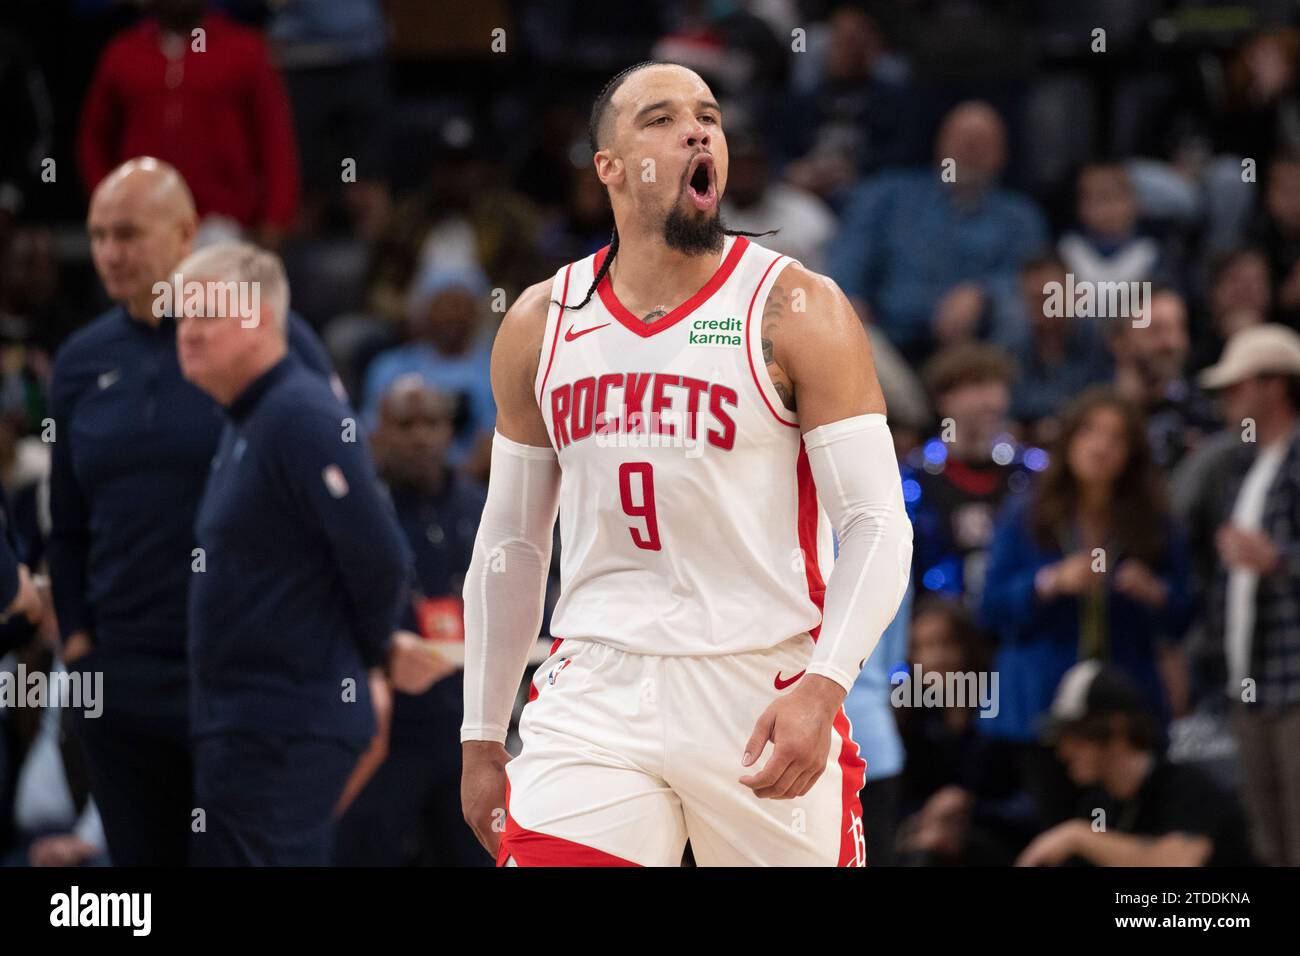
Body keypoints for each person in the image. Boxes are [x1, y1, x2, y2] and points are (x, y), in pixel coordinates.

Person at [460, 61, 911, 867]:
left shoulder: (797, 308)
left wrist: (825, 685)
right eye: (661, 120)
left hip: (761, 683)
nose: (697, 130)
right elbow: (512, 545)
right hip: (596, 690)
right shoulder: (541, 321)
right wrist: (482, 734)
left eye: (708, 116)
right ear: (607, 167)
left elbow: (876, 523)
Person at [47, 157, 336, 866]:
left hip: (245, 676)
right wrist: (82, 645)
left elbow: (333, 489)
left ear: (185, 235)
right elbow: (66, 523)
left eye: (128, 234)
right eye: (98, 236)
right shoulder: (82, 362)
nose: (110, 253)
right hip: (123, 678)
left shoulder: (264, 334)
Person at [174, 241, 437, 865]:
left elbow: (380, 555)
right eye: (183, 315)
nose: (189, 332)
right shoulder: (250, 417)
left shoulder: (300, 414)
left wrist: (369, 659)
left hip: (286, 723)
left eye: (207, 313)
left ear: (263, 318)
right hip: (251, 721)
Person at [980, 387, 1191, 825]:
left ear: (1131, 454)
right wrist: (1049, 582)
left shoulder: (1152, 518)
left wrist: (1156, 592)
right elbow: (990, 609)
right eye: (1091, 433)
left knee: (1129, 830)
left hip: (1125, 705)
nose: (1101, 447)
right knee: (1058, 830)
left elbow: (1185, 612)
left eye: (1116, 438)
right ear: (1071, 440)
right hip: (1044, 705)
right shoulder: (1027, 512)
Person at [335, 378, 489, 866]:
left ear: (450, 432)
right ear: (376, 432)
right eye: (405, 424)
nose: (420, 437)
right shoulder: (355, 506)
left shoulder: (480, 504)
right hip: (382, 730)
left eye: (432, 423)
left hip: (467, 727)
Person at [829, 101, 1048, 364]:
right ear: (941, 144)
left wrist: (984, 293)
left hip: (978, 350)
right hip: (890, 341)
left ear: (1002, 155)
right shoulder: (889, 195)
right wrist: (850, 297)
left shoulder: (1019, 215)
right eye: (964, 141)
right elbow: (851, 253)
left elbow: (1032, 279)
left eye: (982, 143)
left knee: (1018, 312)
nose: (971, 152)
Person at [1197, 323, 1300, 866]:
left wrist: (1278, 560)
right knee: (1268, 845)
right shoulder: (1246, 467)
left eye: (1238, 386)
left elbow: (1273, 559)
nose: (1227, 399)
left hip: (1295, 684)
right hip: (1253, 685)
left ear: (1276, 386)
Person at [77, 0, 299, 245]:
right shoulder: (122, 54)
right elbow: (93, 140)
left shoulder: (245, 51)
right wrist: (107, 204)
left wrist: (274, 220)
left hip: (224, 226)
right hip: (139, 224)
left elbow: (276, 143)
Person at [1017, 661, 1254, 867]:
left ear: (1117, 730)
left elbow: (1178, 862)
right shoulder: (1099, 807)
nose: (1064, 752)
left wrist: (1078, 837)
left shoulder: (1184, 785)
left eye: (1078, 738)